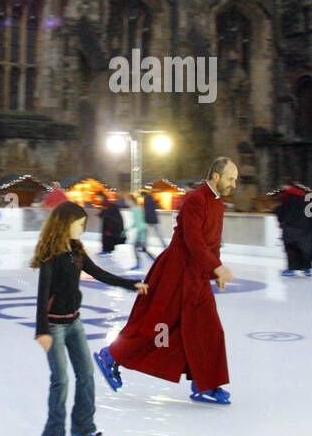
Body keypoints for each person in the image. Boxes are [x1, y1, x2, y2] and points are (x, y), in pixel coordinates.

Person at [95, 157, 237, 405]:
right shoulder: (195, 200)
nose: (234, 184)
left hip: (197, 276)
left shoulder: (218, 204)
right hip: (175, 274)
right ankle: (110, 356)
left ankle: (206, 384)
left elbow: (211, 244)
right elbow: (193, 242)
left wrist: (215, 271)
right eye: (230, 179)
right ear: (216, 176)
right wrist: (216, 267)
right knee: (156, 327)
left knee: (209, 329)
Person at [30, 201, 147, 436]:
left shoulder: (77, 250)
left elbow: (99, 274)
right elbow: (42, 295)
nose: (82, 228)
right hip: (55, 327)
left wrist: (131, 284)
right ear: (64, 224)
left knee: (86, 375)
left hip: (75, 323)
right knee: (61, 381)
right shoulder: (51, 254)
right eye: (78, 224)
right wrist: (42, 331)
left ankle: (83, 429)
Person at [127, 193, 153, 271]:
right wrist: (127, 229)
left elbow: (139, 223)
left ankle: (139, 264)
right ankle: (155, 260)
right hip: (142, 230)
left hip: (141, 231)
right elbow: (137, 222)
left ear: (131, 200)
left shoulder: (135, 209)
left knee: (136, 247)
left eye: (127, 200)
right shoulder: (136, 208)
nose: (126, 202)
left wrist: (141, 235)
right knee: (143, 249)